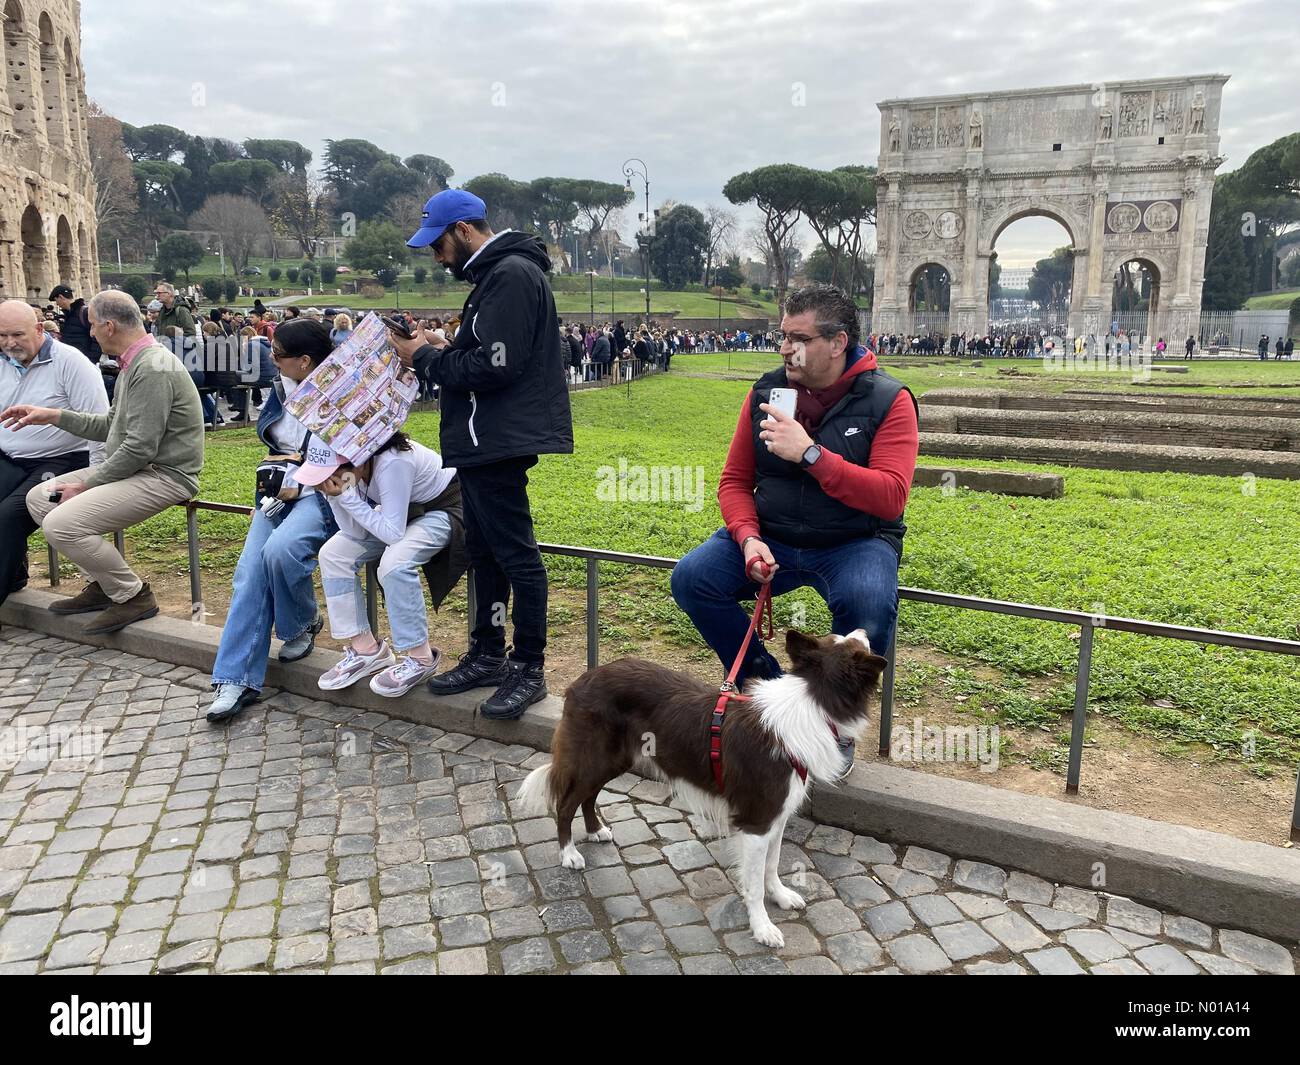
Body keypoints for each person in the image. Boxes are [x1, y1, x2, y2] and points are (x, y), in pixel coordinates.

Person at [670, 284, 919, 773]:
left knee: (868, 604)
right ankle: (765, 688)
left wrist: (811, 454)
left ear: (838, 341)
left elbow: (891, 496)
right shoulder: (766, 391)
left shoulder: (890, 399)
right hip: (774, 533)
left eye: (798, 337)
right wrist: (747, 536)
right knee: (693, 579)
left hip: (855, 540)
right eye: (782, 335)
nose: (784, 347)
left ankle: (834, 725)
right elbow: (735, 480)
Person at [390, 188, 573, 718]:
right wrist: (445, 349)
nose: (436, 256)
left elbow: (498, 367)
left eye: (438, 244)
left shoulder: (510, 275)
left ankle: (527, 667)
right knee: (487, 551)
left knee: (515, 554)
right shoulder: (497, 275)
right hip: (481, 439)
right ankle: (489, 653)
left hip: (497, 439)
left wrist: (423, 356)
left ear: (465, 231)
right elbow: (488, 354)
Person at [2, 291, 204, 634]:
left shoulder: (152, 367)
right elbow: (111, 426)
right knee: (40, 498)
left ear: (109, 326)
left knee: (61, 523)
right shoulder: (136, 361)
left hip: (165, 475)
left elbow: (139, 447)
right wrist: (51, 415)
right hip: (141, 469)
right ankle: (102, 585)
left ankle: (132, 595)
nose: (91, 333)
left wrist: (84, 485)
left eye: (93, 326)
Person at [206, 320, 340, 722]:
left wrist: (301, 472)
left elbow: (348, 459)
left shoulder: (340, 396)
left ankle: (300, 622)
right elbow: (276, 443)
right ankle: (234, 678)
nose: (270, 357)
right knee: (249, 571)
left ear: (304, 361)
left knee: (280, 553)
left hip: (324, 496)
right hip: (278, 493)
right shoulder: (280, 389)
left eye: (277, 353)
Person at [299, 430, 464, 698]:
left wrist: (347, 497)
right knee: (333, 553)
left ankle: (420, 657)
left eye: (330, 473)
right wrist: (336, 497)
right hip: (401, 515)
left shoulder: (393, 461)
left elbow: (392, 534)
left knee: (395, 563)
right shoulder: (355, 472)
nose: (325, 481)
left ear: (358, 459)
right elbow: (354, 532)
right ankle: (366, 650)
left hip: (444, 508)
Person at [0, 301, 109, 611]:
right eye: (2, 335)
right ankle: (14, 574)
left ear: (39, 329)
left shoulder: (71, 363)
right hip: (9, 453)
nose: (10, 343)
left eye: (18, 334)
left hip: (61, 458)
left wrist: (95, 477)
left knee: (8, 516)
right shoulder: (3, 360)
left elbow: (98, 421)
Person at [49, 285, 102, 364]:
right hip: (72, 361)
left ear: (61, 297)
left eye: (56, 300)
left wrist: (91, 360)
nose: (57, 304)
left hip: (84, 361)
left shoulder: (84, 312)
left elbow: (97, 338)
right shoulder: (67, 315)